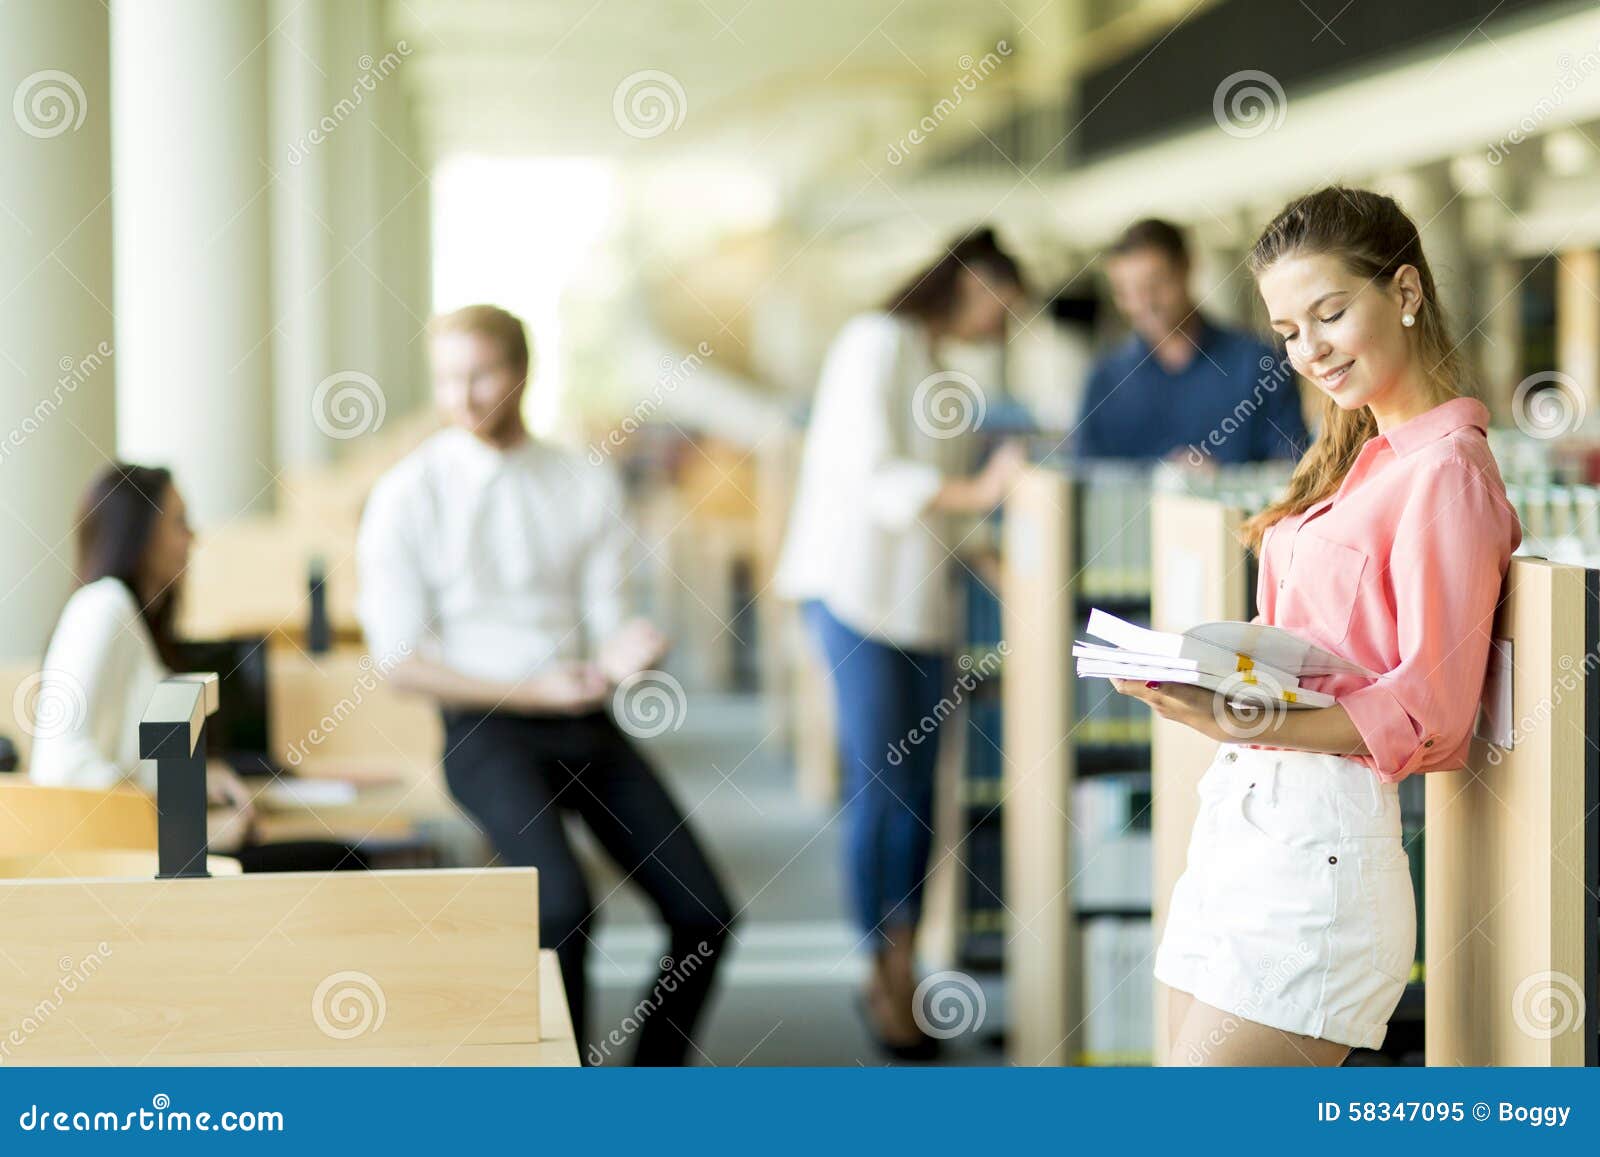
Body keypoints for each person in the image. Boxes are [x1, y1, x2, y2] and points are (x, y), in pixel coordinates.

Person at [1111, 187, 1521, 1065]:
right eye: (1289, 331)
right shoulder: (1350, 458)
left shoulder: (1447, 472)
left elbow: (1431, 713)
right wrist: (1222, 677)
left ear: (1405, 292)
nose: (1310, 351)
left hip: (1317, 865)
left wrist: (1239, 716)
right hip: (1238, 833)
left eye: (1330, 314)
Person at [356, 303, 734, 1067]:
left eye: (481, 374)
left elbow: (608, 621)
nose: (462, 396)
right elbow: (397, 661)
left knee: (705, 915)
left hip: (584, 716)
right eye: (447, 379)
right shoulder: (409, 494)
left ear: (522, 373)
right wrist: (531, 692)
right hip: (484, 727)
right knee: (561, 908)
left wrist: (629, 650)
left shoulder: (579, 480)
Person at [774, 227, 1029, 1058]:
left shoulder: (941, 368)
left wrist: (995, 554)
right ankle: (878, 973)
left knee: (923, 795)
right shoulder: (873, 341)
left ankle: (905, 961)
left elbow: (940, 510)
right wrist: (983, 487)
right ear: (974, 282)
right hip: (855, 597)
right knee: (881, 787)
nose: (1006, 325)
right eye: (1005, 305)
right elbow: (871, 470)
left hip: (922, 606)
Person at [28, 464, 365, 872]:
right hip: (135, 858)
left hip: (152, 850)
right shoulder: (103, 607)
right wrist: (189, 831)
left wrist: (207, 777)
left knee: (337, 855)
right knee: (345, 861)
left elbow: (132, 757)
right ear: (140, 533)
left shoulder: (133, 620)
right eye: (179, 522)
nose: (193, 537)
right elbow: (64, 766)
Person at [1074, 217, 1310, 464]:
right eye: (1129, 292)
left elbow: (1292, 467)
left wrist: (1222, 482)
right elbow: (1087, 480)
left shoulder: (1259, 364)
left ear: (1187, 267)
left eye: (1155, 284)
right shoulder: (1104, 382)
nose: (1146, 303)